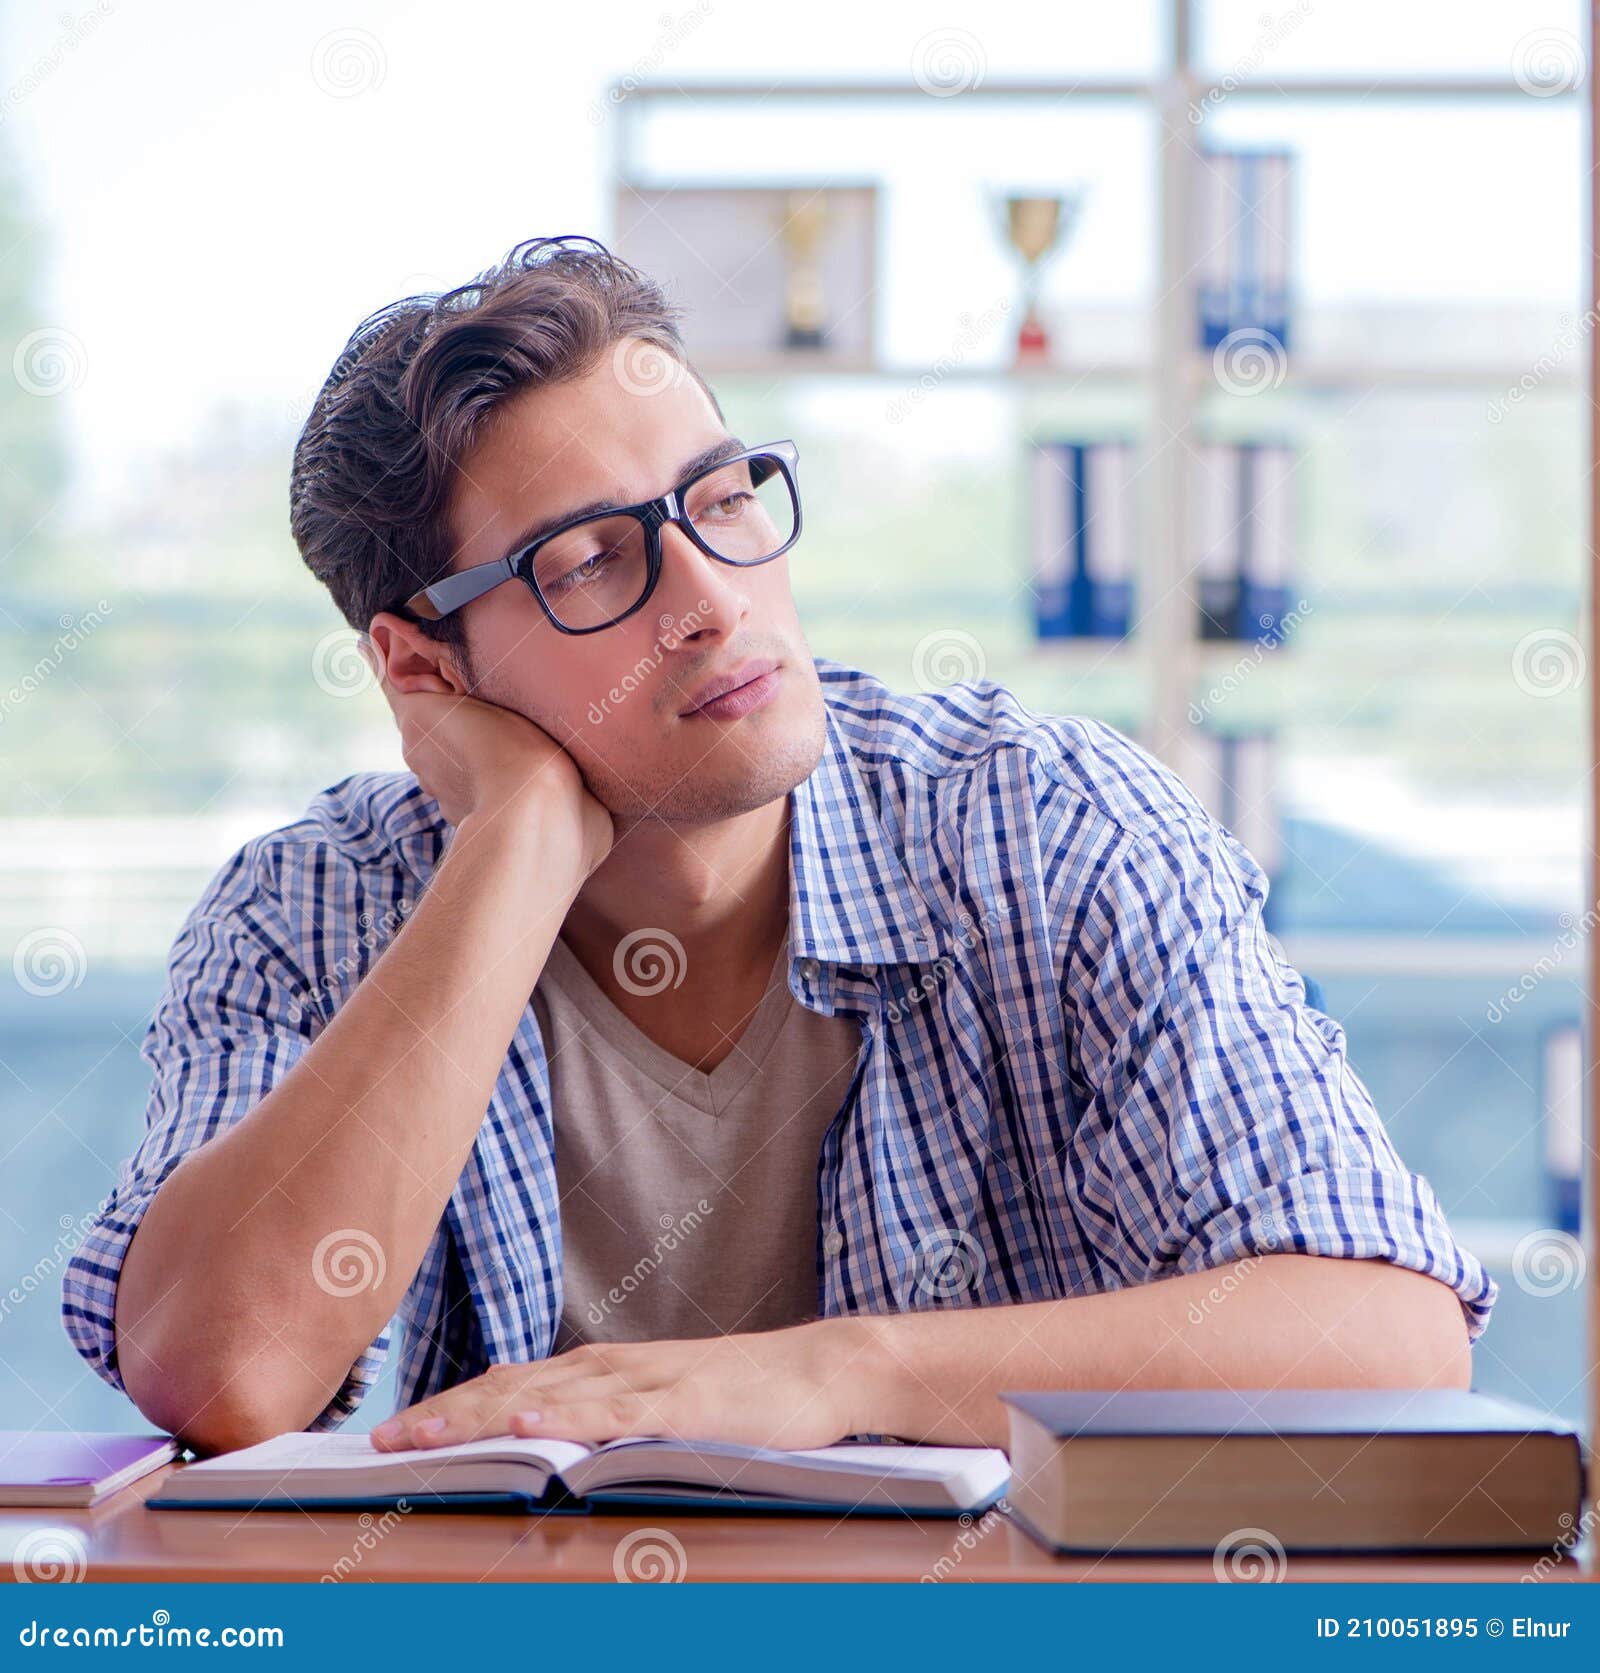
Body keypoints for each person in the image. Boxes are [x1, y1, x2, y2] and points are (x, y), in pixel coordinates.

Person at [62, 236, 1495, 1458]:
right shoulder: (309, 905)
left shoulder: (1045, 822)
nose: (710, 598)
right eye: (589, 562)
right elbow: (225, 1368)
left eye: (722, 497)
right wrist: (514, 846)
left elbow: (1386, 1333)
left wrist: (833, 1371)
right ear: (423, 670)